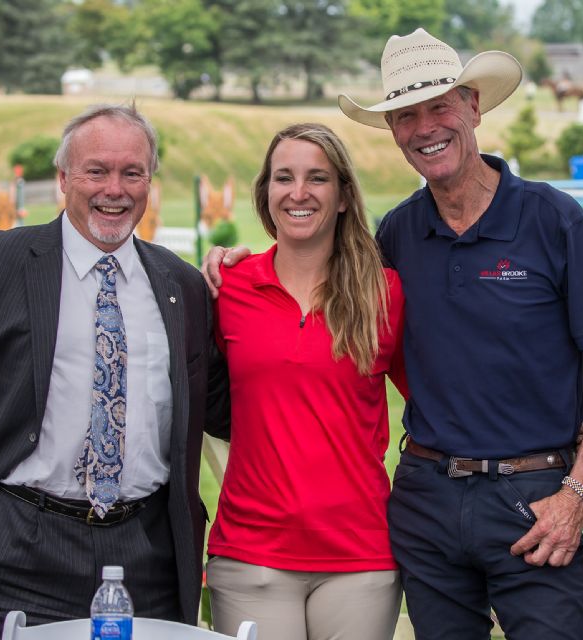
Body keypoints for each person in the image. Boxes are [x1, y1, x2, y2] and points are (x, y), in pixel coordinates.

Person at [206, 28, 583, 639]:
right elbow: (323, 285)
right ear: (394, 131)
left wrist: (578, 495)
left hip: (535, 497)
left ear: (473, 106)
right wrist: (236, 262)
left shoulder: (552, 220)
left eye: (440, 106)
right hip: (426, 500)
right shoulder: (397, 236)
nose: (425, 127)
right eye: (407, 114)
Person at [0, 104, 230, 639]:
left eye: (133, 172)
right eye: (96, 171)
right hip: (11, 547)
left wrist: (272, 281)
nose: (115, 189)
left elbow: (225, 406)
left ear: (149, 180)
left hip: (146, 554)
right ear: (62, 178)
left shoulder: (182, 284)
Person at [205, 123, 406, 640]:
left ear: (342, 196)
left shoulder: (383, 293)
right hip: (251, 554)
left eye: (317, 178)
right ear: (266, 193)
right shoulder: (228, 287)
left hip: (360, 557)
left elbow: (439, 402)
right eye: (283, 178)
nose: (298, 193)